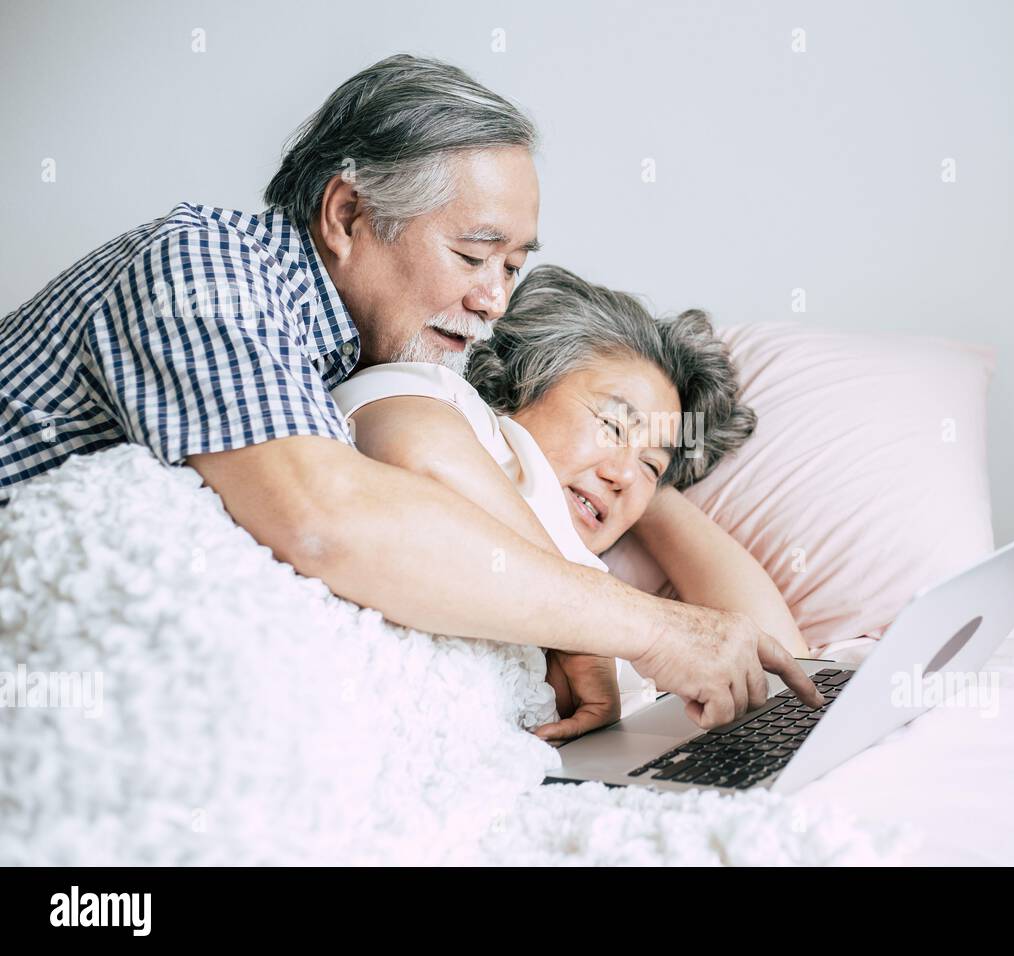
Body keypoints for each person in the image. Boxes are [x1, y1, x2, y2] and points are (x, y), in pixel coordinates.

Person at [0, 54, 823, 729]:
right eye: (473, 256)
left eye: (514, 266)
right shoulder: (204, 271)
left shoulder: (328, 357)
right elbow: (327, 520)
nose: (496, 301)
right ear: (348, 213)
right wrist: (637, 627)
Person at [331, 265, 811, 739]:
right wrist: (588, 631)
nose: (624, 475)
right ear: (520, 381)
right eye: (612, 425)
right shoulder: (447, 401)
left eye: (651, 468)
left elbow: (791, 686)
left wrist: (656, 488)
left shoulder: (603, 582)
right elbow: (421, 453)